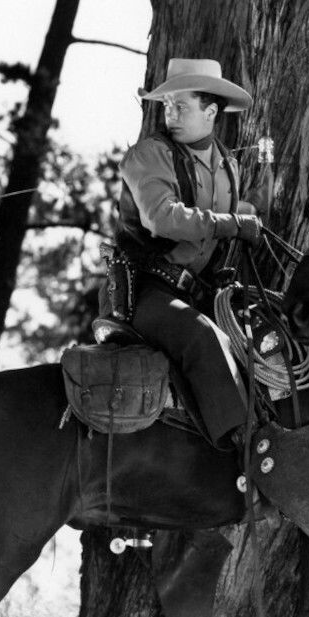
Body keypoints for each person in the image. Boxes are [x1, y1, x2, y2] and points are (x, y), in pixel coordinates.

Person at [114, 57, 268, 451]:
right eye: (167, 105)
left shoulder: (228, 165)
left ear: (211, 112)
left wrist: (248, 218)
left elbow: (238, 213)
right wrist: (230, 223)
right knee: (203, 337)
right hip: (146, 293)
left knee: (269, 335)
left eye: (181, 106)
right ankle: (247, 448)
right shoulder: (148, 155)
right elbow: (162, 218)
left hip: (199, 293)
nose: (170, 114)